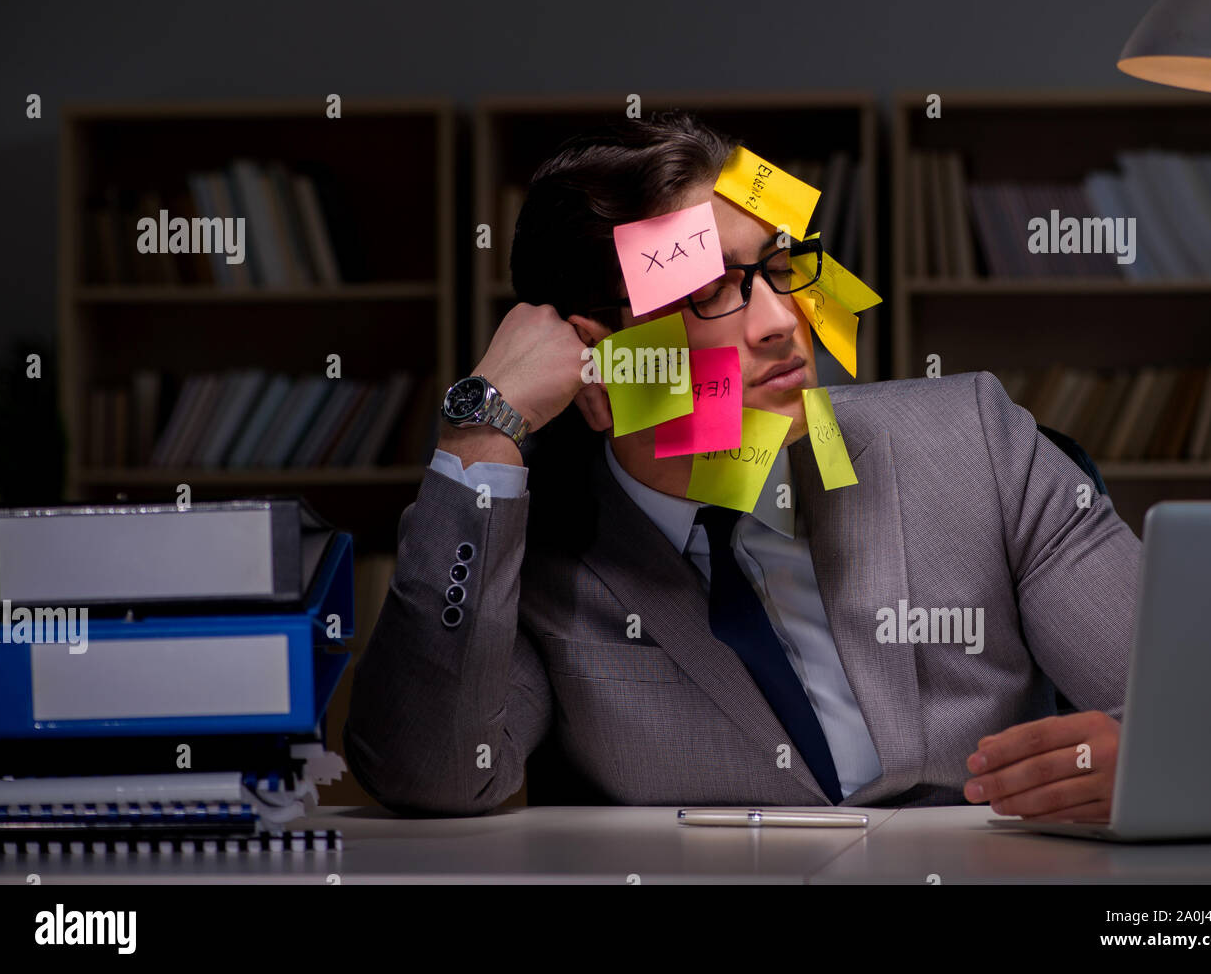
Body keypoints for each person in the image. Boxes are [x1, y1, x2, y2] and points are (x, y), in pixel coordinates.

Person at [344, 110, 1140, 819]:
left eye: (778, 268)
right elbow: (428, 775)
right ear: (598, 367)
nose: (779, 321)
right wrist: (481, 430)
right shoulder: (529, 552)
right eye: (705, 294)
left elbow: (1210, 704)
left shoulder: (975, 443)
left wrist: (1151, 761)